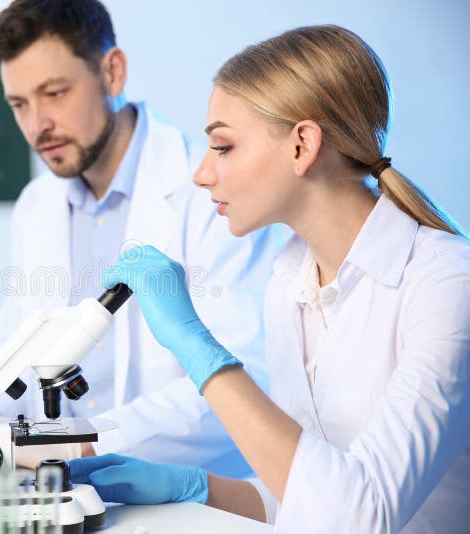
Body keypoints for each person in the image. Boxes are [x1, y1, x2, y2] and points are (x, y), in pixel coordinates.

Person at [69, 25, 470, 533]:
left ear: (302, 144)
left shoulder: (446, 286)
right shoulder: (289, 285)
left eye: (223, 146)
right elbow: (307, 498)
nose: (201, 174)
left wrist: (198, 349)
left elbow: (360, 516)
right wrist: (197, 487)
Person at [0, 0, 280, 475]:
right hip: (70, 487)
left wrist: (81, 449)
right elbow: (17, 356)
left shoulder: (208, 189)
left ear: (113, 72)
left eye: (55, 93)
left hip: (196, 495)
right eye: (19, 104)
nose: (36, 124)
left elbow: (240, 376)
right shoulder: (36, 205)